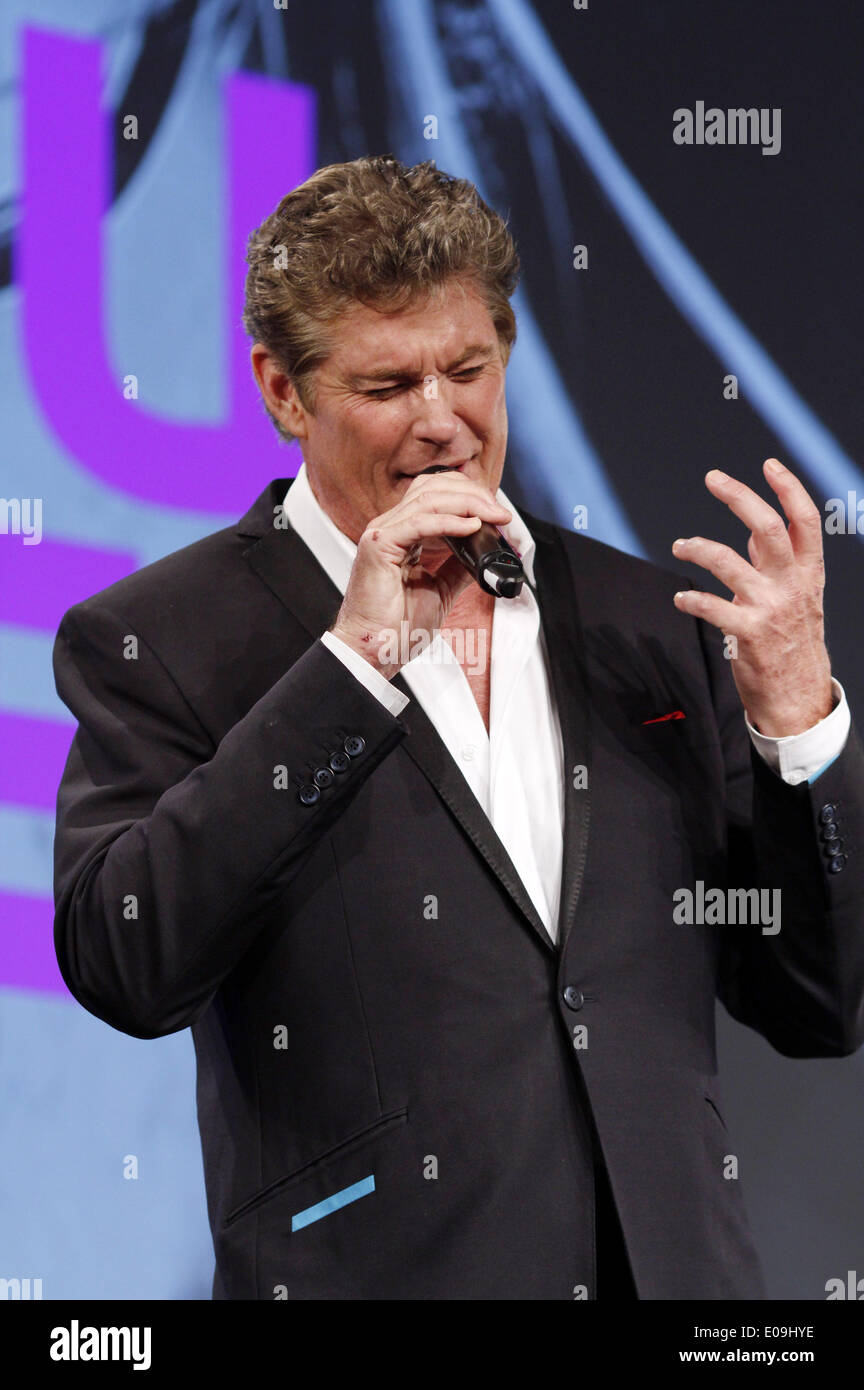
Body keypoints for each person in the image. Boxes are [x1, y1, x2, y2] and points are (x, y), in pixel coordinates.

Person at [52, 155, 864, 1300]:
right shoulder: (164, 639)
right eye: (387, 386)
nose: (442, 423)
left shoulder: (648, 624)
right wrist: (355, 665)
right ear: (283, 392)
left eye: (469, 370)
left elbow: (820, 1001)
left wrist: (801, 728)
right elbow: (125, 960)